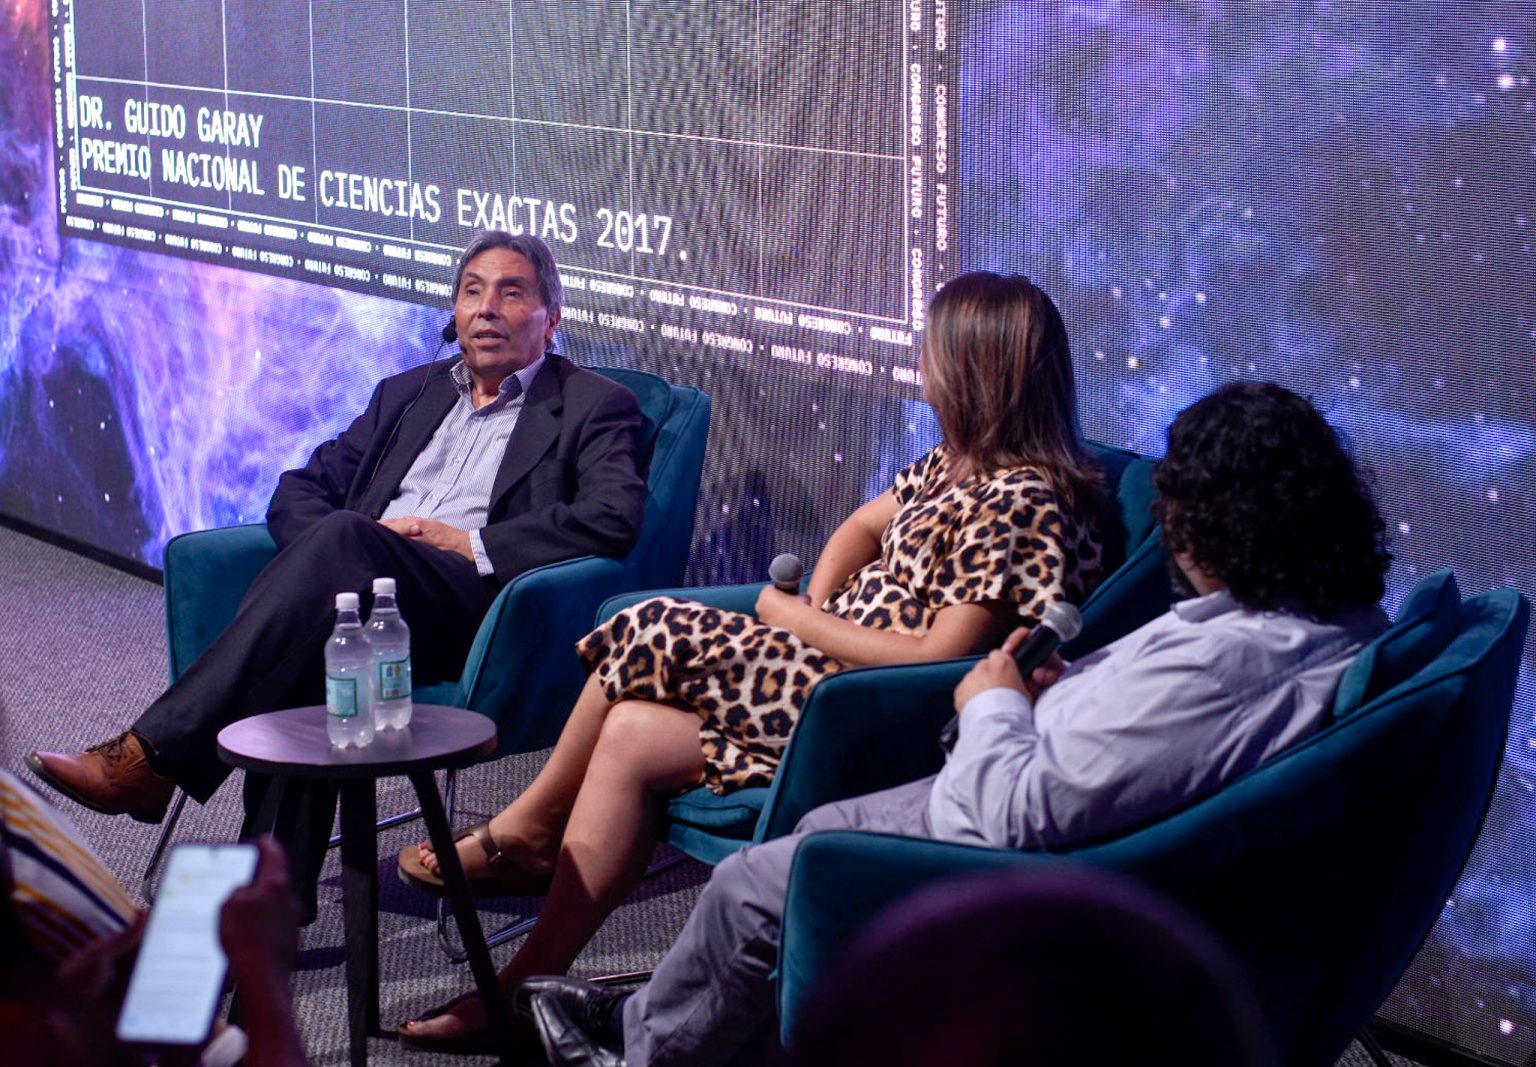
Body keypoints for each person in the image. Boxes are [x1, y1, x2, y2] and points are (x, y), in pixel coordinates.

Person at [515, 381, 1393, 1066]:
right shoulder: (1303, 620)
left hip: (1010, 832)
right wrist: (1043, 689)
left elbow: (1019, 804)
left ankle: (635, 1044)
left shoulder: (1227, 658)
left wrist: (994, 701)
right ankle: (661, 1016)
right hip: (1000, 765)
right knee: (806, 832)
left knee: (756, 877)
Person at [395, 272, 1109, 1052]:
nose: (921, 366)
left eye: (933, 352)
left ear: (978, 370)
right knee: (632, 726)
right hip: (820, 670)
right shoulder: (953, 466)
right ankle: (523, 982)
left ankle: (526, 829)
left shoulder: (1022, 500)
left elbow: (945, 656)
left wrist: (796, 617)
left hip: (872, 705)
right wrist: (826, 602)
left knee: (650, 624)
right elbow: (863, 528)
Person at [25, 231, 647, 883]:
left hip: (475, 604)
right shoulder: (409, 392)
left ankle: (152, 758)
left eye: (511, 293)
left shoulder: (593, 405)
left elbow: (612, 516)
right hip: (365, 597)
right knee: (318, 651)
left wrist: (467, 543)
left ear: (552, 318)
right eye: (472, 291)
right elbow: (300, 488)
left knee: (344, 547)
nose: (487, 307)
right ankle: (270, 904)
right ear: (455, 312)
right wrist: (334, 565)